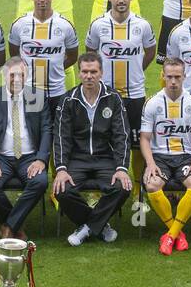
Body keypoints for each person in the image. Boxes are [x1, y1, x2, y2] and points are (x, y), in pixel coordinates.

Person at [52, 53, 133, 245]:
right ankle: (100, 226)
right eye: (85, 72)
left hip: (105, 158)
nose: (89, 76)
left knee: (122, 187)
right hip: (77, 159)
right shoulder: (68, 100)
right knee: (62, 190)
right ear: (79, 74)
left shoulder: (113, 98)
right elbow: (61, 137)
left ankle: (86, 228)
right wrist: (61, 169)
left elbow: (122, 135)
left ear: (101, 73)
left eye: (93, 72)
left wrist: (121, 168)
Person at [86, 0, 156, 181]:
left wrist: (137, 69)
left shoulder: (142, 25)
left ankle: (136, 187)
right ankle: (105, 182)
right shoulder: (98, 25)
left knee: (137, 142)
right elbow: (91, 55)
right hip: (106, 95)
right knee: (102, 140)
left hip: (134, 95)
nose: (121, 0)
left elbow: (150, 51)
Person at [139, 58, 191, 256]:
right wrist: (150, 163)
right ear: (163, 76)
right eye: (169, 77)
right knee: (152, 185)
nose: (173, 81)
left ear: (184, 76)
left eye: (177, 77)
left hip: (185, 158)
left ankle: (170, 235)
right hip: (160, 158)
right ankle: (177, 233)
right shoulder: (152, 103)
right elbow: (144, 138)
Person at [0, 57, 52, 239]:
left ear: (27, 76)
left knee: (40, 182)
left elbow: (46, 130)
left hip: (29, 157)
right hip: (1, 157)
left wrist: (41, 159)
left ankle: (8, 226)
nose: (17, 79)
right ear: (4, 75)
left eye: (21, 75)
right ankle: (16, 227)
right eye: (12, 75)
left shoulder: (38, 97)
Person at [7, 0, 78, 118]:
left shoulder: (65, 26)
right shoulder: (19, 25)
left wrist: (56, 66)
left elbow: (73, 57)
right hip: (30, 92)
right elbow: (14, 55)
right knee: (32, 135)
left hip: (57, 92)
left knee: (57, 133)